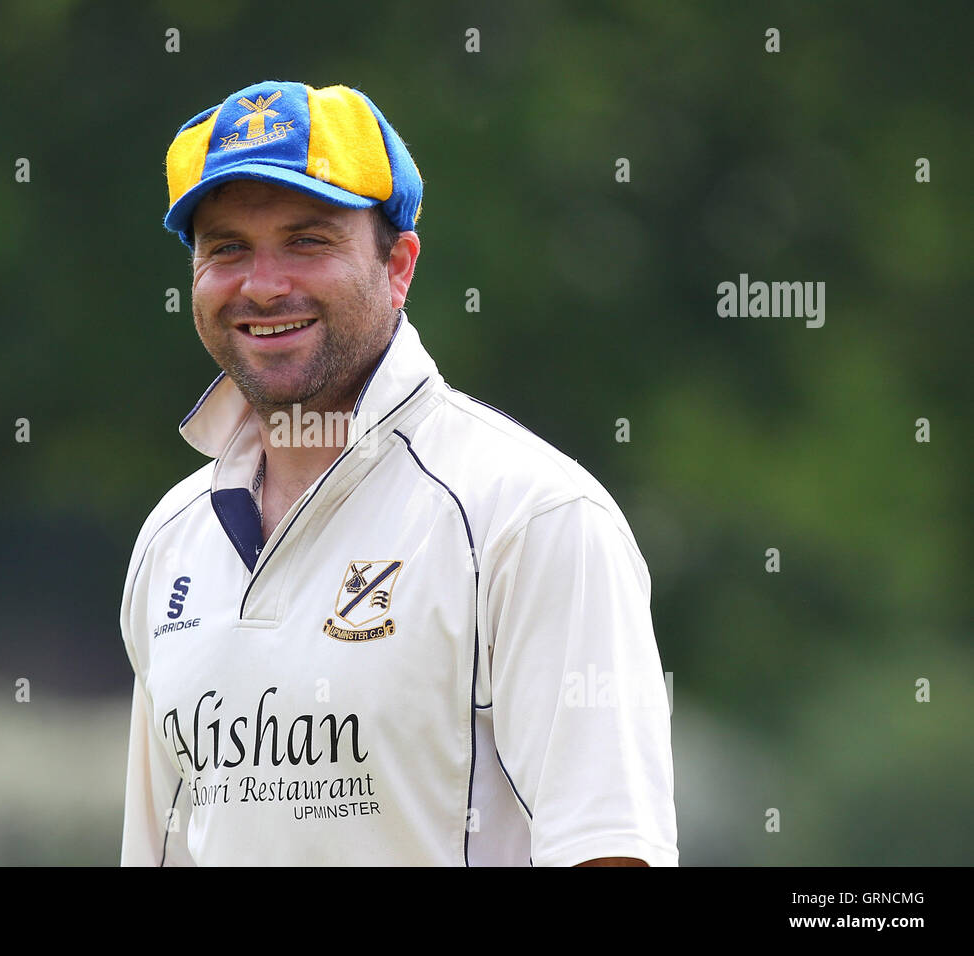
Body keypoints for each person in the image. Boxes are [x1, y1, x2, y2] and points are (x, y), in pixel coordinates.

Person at [119, 79, 678, 866]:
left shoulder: (533, 515)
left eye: (307, 241)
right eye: (226, 248)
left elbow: (611, 851)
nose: (263, 283)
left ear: (399, 267)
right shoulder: (172, 539)